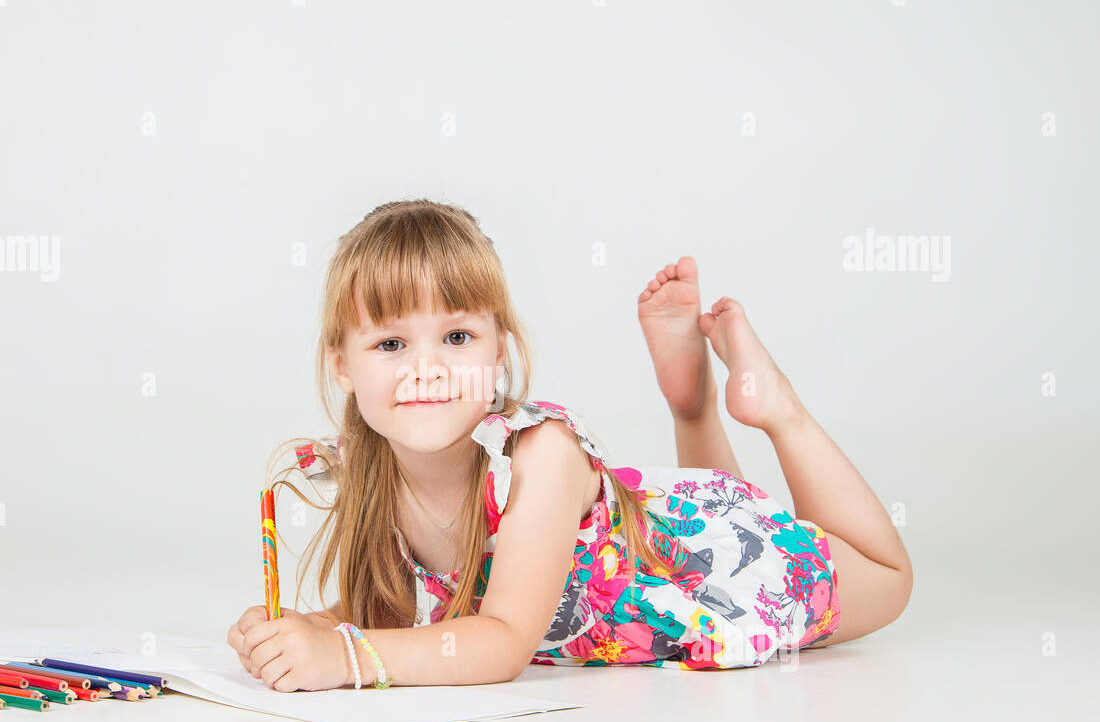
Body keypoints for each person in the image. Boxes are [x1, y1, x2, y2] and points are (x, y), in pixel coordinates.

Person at [228, 199, 913, 691]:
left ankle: (776, 407)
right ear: (342, 364)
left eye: (458, 337)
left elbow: (501, 643)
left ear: (500, 350)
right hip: (666, 549)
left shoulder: (540, 452)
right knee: (736, 508)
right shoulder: (376, 467)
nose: (427, 366)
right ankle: (693, 400)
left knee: (888, 578)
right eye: (390, 343)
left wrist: (341, 659)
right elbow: (398, 620)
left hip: (710, 575)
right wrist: (303, 631)